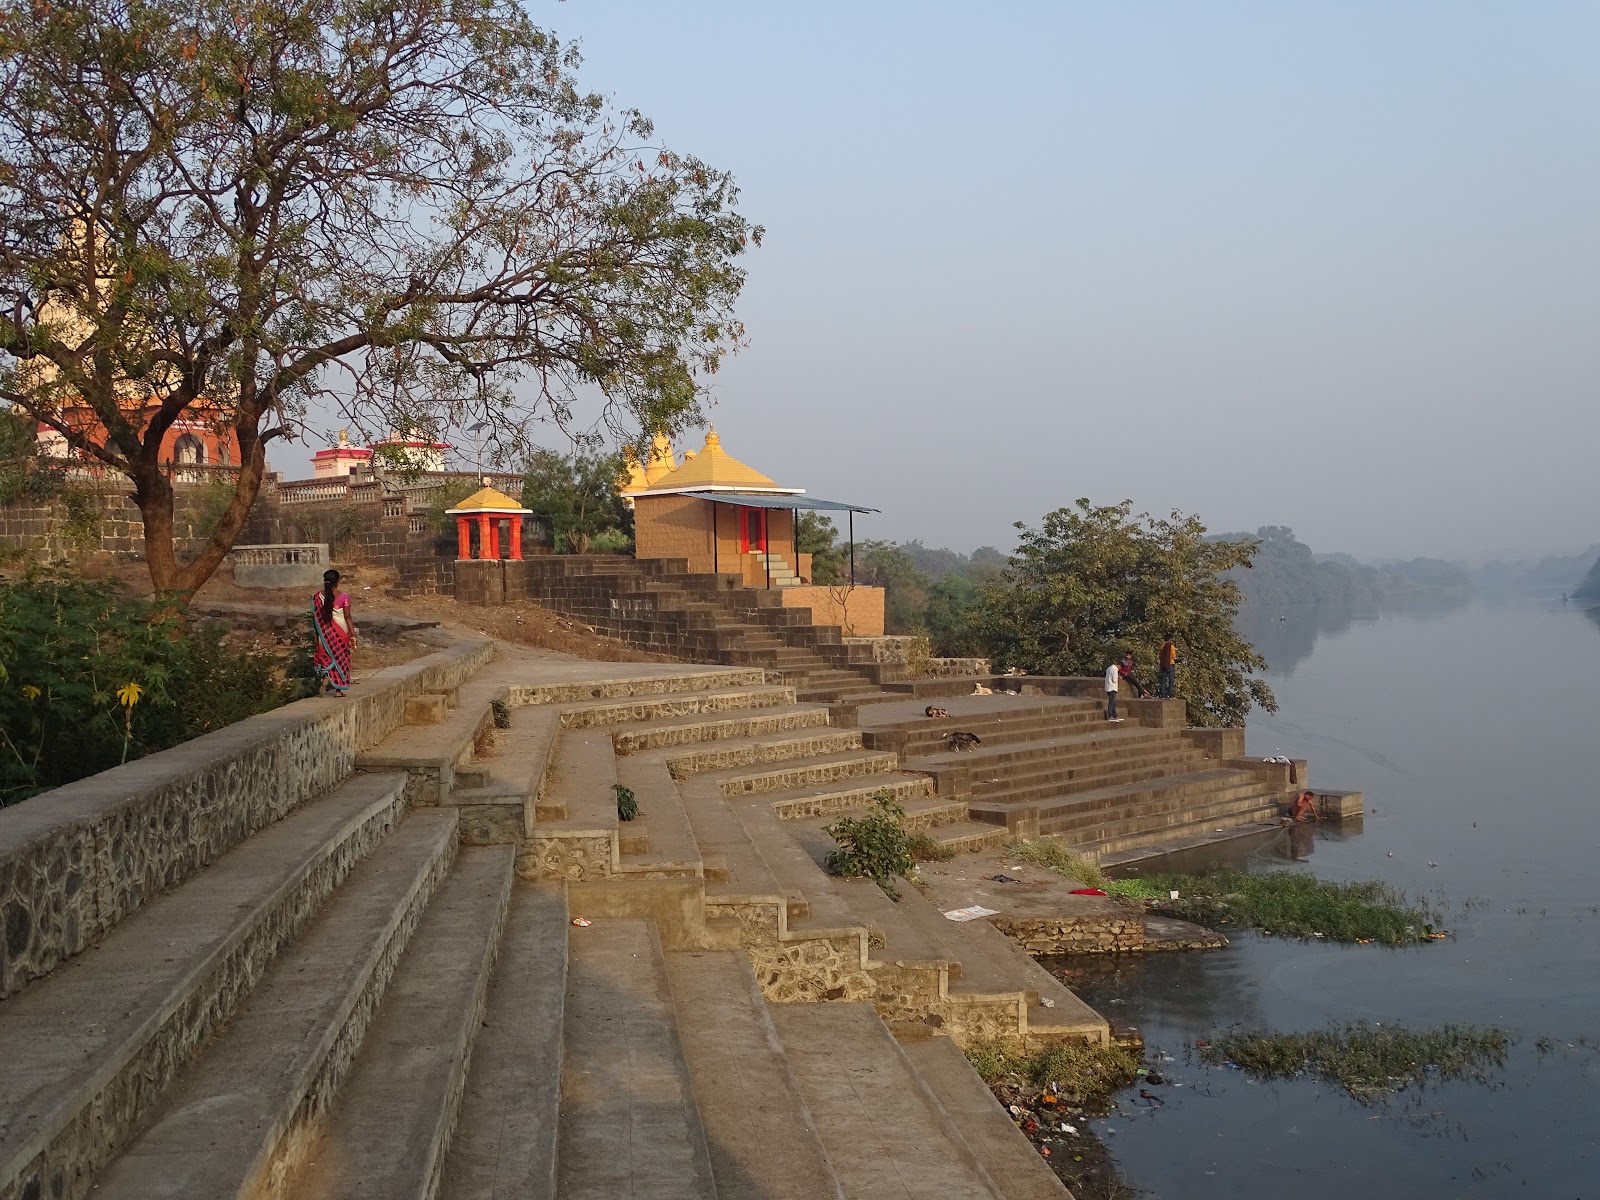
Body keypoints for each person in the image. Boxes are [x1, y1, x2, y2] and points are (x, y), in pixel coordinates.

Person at [312, 569, 357, 696]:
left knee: (326, 657)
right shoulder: (343, 597)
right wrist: (353, 632)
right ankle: (338, 691)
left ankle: (326, 676)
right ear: (337, 582)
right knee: (341, 659)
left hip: (323, 635)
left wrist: (316, 636)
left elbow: (315, 619)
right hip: (340, 635)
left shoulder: (316, 597)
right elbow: (347, 617)